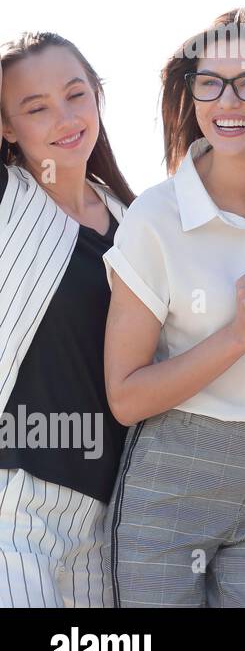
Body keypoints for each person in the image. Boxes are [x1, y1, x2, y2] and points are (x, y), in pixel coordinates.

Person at [103, 9, 245, 607]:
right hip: (173, 482)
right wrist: (236, 336)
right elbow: (126, 397)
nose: (228, 100)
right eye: (210, 82)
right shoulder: (154, 220)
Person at [0, 33, 133, 607]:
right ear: (6, 128)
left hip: (112, 523)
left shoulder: (139, 220)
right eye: (35, 108)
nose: (65, 117)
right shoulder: (9, 198)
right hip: (15, 502)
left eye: (76, 94)